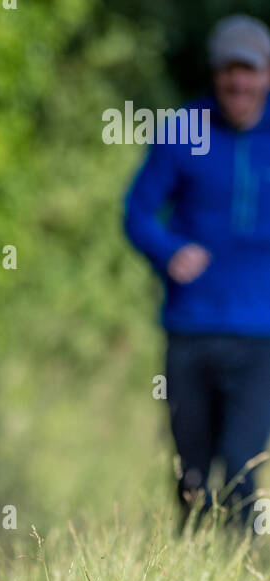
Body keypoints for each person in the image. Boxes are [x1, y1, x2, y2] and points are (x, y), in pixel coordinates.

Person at [124, 14, 270, 528]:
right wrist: (169, 250)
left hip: (260, 335)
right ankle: (190, 566)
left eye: (249, 71)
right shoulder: (186, 128)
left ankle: (238, 575)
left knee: (241, 465)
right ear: (215, 74)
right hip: (190, 328)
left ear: (267, 74)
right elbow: (137, 210)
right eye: (229, 70)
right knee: (191, 471)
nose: (239, 83)